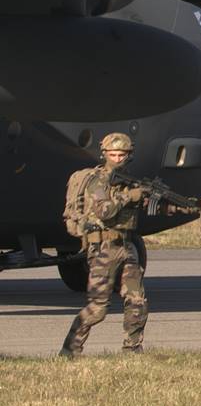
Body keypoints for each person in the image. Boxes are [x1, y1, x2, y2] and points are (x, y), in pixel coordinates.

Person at [59, 132, 150, 357]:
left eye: (122, 155)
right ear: (105, 154)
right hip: (103, 250)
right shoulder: (98, 180)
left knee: (137, 300)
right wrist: (130, 197)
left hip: (126, 246)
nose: (117, 158)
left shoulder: (128, 182)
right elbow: (104, 211)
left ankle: (132, 350)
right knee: (98, 308)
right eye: (113, 154)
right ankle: (69, 350)